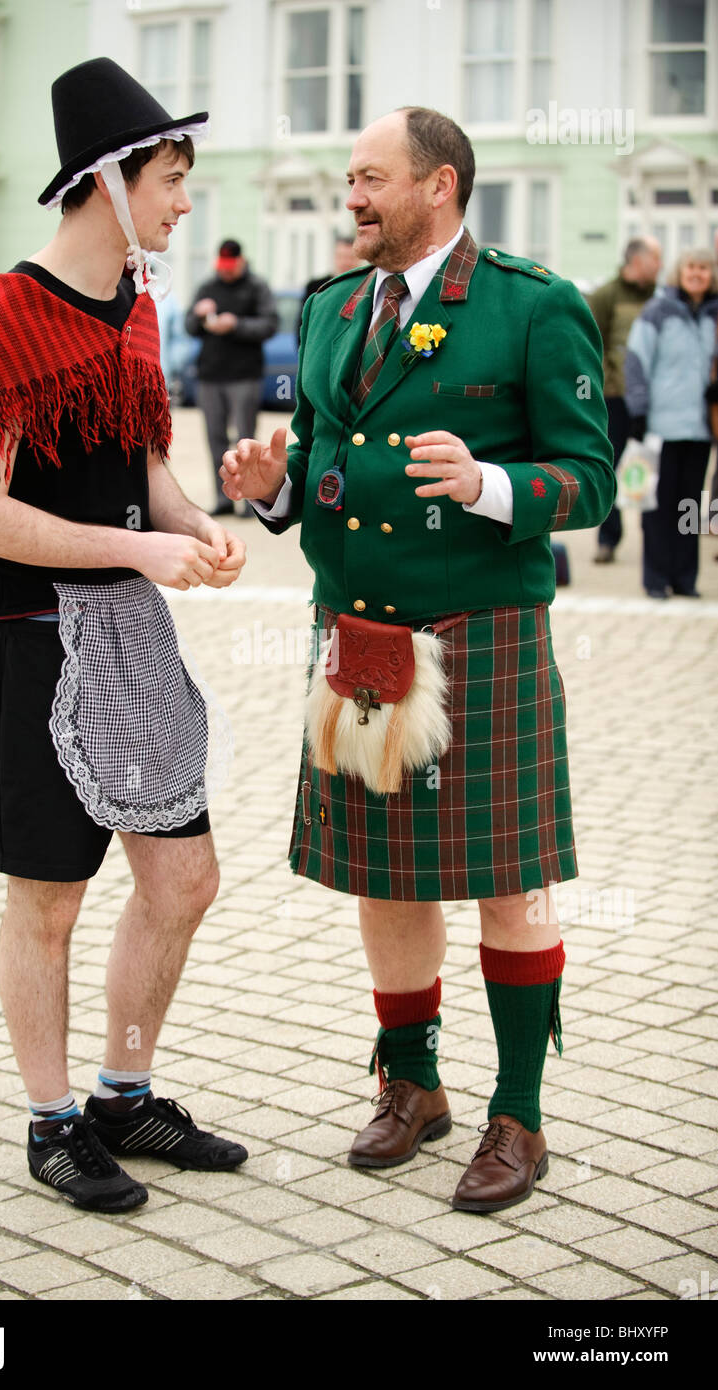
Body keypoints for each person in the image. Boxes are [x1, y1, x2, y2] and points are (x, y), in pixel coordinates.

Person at [221, 106, 614, 1213]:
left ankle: (519, 1112)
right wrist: (271, 491)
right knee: (385, 874)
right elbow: (317, 463)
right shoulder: (334, 306)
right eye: (349, 178)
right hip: (358, 635)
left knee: (506, 878)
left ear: (438, 186)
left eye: (370, 179)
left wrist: (490, 485)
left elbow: (589, 477)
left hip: (478, 634)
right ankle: (412, 1081)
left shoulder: (533, 306)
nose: (353, 198)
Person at [0, 57, 249, 1214]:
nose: (181, 200)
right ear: (107, 180)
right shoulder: (1, 313)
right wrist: (135, 551)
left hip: (131, 632)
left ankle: (124, 1091)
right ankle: (53, 1121)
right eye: (169, 176)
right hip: (29, 634)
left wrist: (195, 530)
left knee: (184, 877)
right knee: (48, 898)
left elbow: (148, 469)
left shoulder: (142, 309)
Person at [624, 248, 718, 599]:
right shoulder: (658, 312)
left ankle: (685, 578)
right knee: (658, 506)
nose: (697, 273)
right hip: (660, 425)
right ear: (680, 272)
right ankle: (655, 578)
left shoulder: (714, 314)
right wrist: (638, 411)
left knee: (689, 508)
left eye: (704, 268)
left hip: (699, 428)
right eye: (692, 267)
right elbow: (635, 361)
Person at [186, 238, 278, 515]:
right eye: (221, 266)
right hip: (211, 374)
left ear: (240, 261)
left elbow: (269, 324)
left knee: (245, 441)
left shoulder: (256, 287)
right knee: (215, 439)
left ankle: (250, 501)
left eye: (230, 266)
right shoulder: (207, 287)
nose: (225, 271)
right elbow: (190, 326)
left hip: (245, 375)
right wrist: (198, 317)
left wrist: (236, 325)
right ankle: (223, 498)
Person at [586, 236, 662, 564]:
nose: (660, 266)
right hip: (614, 398)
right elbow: (590, 344)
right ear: (637, 261)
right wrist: (608, 383)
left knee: (649, 468)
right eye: (655, 259)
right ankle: (608, 539)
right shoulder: (606, 295)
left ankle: (654, 542)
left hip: (652, 400)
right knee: (611, 467)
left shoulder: (659, 299)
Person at [298, 235, 365, 348]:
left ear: (359, 259)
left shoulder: (368, 287)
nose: (345, 262)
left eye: (350, 257)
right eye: (341, 257)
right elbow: (302, 327)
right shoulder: (316, 287)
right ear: (334, 258)